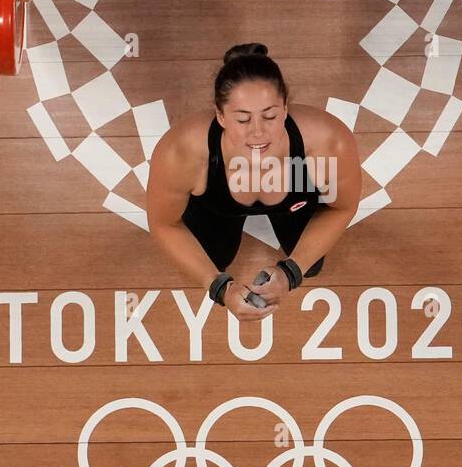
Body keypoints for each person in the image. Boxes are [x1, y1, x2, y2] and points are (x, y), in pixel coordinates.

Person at [146, 42, 360, 321]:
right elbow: (163, 223)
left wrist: (290, 273)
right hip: (216, 208)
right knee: (212, 260)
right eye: (243, 120)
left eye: (270, 116)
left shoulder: (328, 143)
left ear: (285, 109)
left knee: (311, 265)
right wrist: (219, 287)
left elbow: (342, 207)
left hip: (294, 202)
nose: (258, 132)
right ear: (220, 116)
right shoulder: (182, 152)